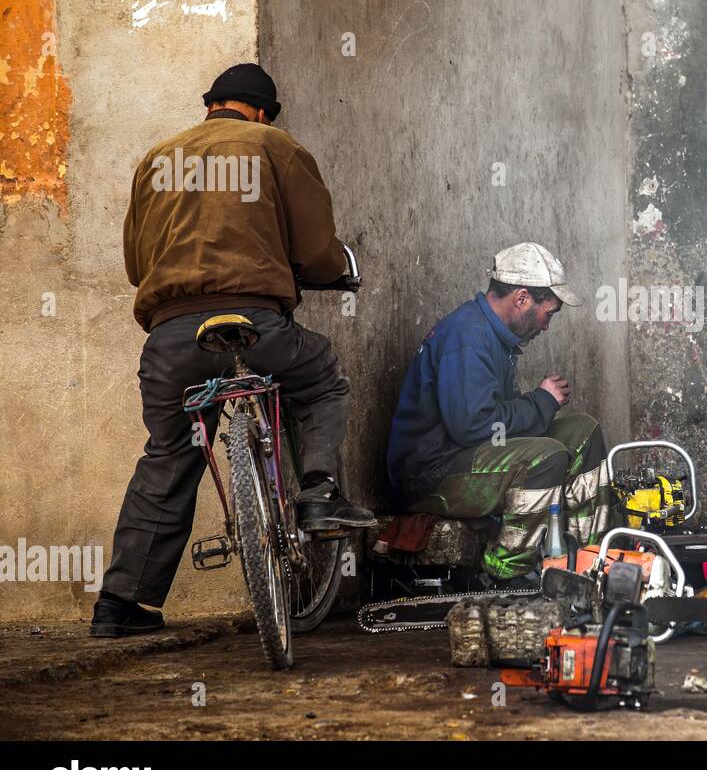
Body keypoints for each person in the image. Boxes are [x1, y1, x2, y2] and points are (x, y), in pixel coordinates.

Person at [93, 63, 375, 638]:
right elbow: (316, 248)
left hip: (173, 338)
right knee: (321, 380)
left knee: (170, 456)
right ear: (262, 112)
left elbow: (135, 264)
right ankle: (319, 493)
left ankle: (120, 605)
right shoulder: (275, 146)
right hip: (257, 324)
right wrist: (333, 271)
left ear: (211, 106)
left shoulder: (158, 159)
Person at [386, 243, 613, 586]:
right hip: (432, 474)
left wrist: (538, 404)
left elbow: (496, 425)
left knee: (582, 430)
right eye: (547, 313)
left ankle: (588, 563)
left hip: (469, 454)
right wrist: (540, 401)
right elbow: (475, 426)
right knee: (545, 457)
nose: (547, 326)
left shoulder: (495, 337)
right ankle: (508, 574)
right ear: (521, 299)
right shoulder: (467, 336)